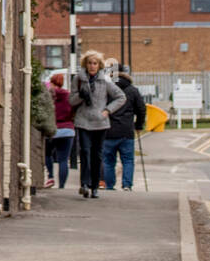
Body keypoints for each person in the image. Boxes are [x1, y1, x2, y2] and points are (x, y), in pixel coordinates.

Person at [70, 50, 125, 198]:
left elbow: (121, 97)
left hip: (100, 122)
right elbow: (72, 100)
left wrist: (107, 110)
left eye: (95, 63)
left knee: (97, 154)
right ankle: (84, 184)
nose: (92, 66)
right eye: (89, 63)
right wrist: (81, 96)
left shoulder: (105, 81)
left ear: (99, 65)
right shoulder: (78, 79)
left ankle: (95, 186)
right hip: (83, 121)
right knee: (85, 152)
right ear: (85, 64)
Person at [101, 66, 148, 191]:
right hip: (126, 131)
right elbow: (141, 109)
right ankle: (127, 185)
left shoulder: (107, 90)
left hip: (108, 130)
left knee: (108, 161)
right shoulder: (133, 90)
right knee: (127, 160)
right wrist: (139, 125)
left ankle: (109, 186)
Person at [45, 73, 75, 188]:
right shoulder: (69, 95)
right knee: (63, 160)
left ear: (52, 82)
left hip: (52, 129)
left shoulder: (48, 95)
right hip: (67, 130)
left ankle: (50, 177)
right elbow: (73, 111)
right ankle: (61, 186)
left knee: (47, 155)